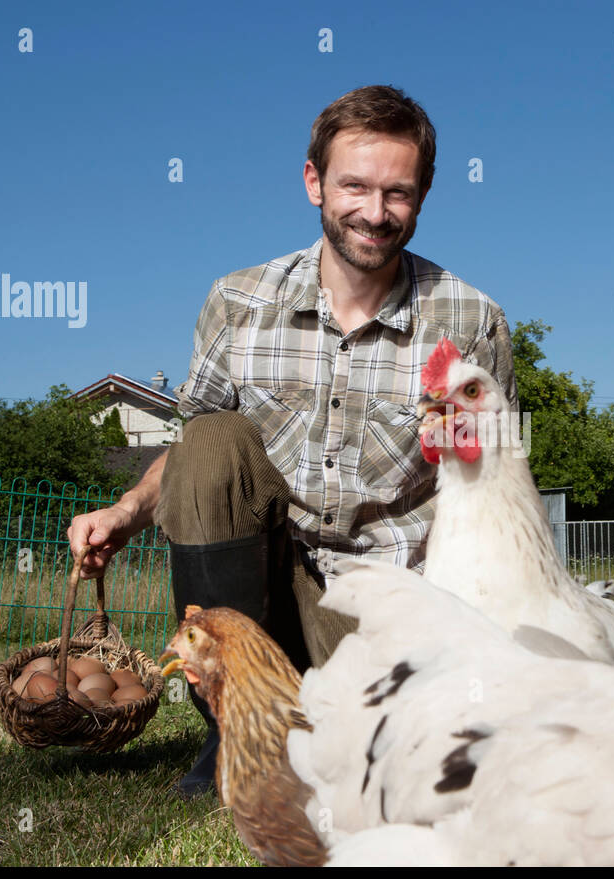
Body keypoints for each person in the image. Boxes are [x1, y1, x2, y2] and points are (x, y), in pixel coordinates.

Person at [66, 85, 516, 797]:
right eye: (355, 186)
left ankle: (347, 717)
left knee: (409, 766)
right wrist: (124, 513)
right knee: (211, 437)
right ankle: (239, 733)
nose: (374, 213)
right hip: (268, 592)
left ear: (423, 196)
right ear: (314, 182)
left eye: (397, 192)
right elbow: (191, 453)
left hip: (391, 607)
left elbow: (493, 490)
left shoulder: (472, 318)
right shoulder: (238, 303)